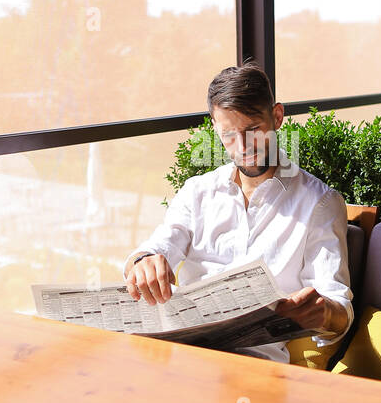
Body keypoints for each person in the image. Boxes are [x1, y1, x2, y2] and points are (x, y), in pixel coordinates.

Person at [123, 62, 354, 363]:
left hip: (252, 364)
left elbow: (338, 308)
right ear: (215, 129)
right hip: (180, 354)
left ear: (278, 116)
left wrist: (324, 313)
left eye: (253, 129)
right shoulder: (197, 192)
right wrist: (144, 262)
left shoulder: (319, 203)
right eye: (229, 135)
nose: (243, 146)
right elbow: (158, 247)